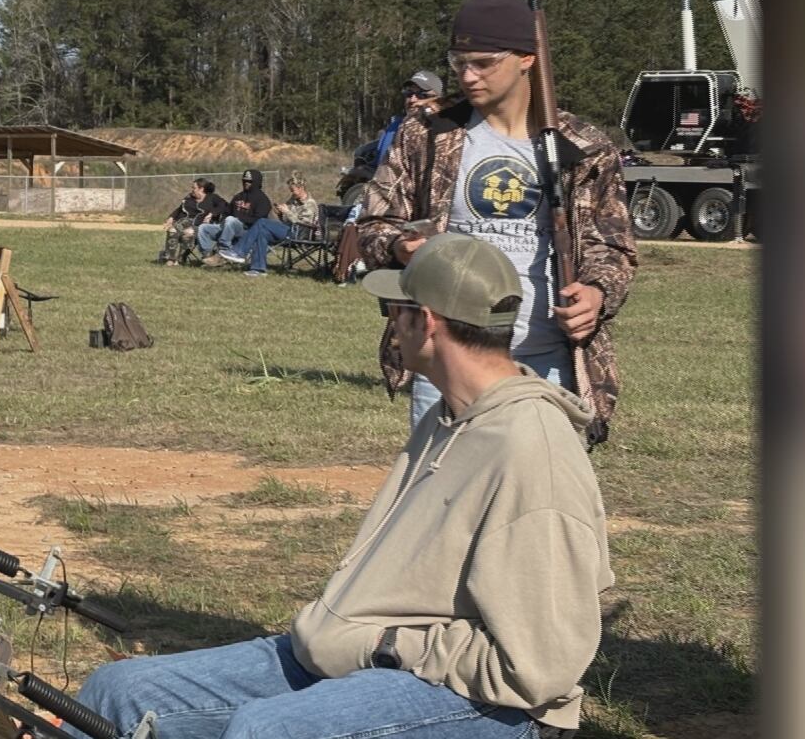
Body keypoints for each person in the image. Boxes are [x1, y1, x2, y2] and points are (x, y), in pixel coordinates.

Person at [71, 234, 613, 739]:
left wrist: (384, 647)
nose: (390, 328)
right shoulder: (450, 416)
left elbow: (541, 664)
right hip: (353, 651)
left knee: (264, 732)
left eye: (392, 311)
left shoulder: (530, 450)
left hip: (490, 703)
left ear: (425, 323)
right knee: (114, 691)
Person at [359, 0, 637, 440]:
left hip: (549, 361)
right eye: (458, 63)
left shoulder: (584, 148)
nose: (468, 76)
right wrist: (399, 246)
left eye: (484, 63)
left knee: (540, 498)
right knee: (443, 493)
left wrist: (596, 293)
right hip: (446, 359)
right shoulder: (427, 134)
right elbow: (373, 225)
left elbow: (613, 247)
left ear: (527, 57)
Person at [217, 173, 320, 277]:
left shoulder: (310, 204)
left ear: (301, 188)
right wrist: (281, 213)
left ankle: (239, 252)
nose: (291, 192)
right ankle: (258, 269)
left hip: (299, 233)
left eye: (293, 190)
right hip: (289, 229)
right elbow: (286, 220)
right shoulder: (293, 200)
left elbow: (303, 224)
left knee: (261, 222)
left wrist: (287, 212)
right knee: (262, 232)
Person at [201, 171, 271, 267]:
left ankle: (223, 253)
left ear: (256, 182)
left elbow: (259, 221)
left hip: (248, 231)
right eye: (245, 181)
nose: (246, 183)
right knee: (204, 228)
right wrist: (217, 217)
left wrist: (239, 219)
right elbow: (227, 212)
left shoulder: (262, 199)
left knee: (231, 220)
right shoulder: (238, 196)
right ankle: (207, 255)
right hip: (229, 228)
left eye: (250, 181)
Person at [162, 180, 224, 266]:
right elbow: (180, 209)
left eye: (194, 188)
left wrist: (212, 214)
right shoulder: (189, 197)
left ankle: (181, 259)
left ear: (201, 189)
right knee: (172, 230)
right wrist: (171, 218)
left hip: (201, 225)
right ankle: (171, 259)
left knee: (189, 233)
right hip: (185, 222)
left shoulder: (213, 197)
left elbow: (224, 206)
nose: (192, 190)